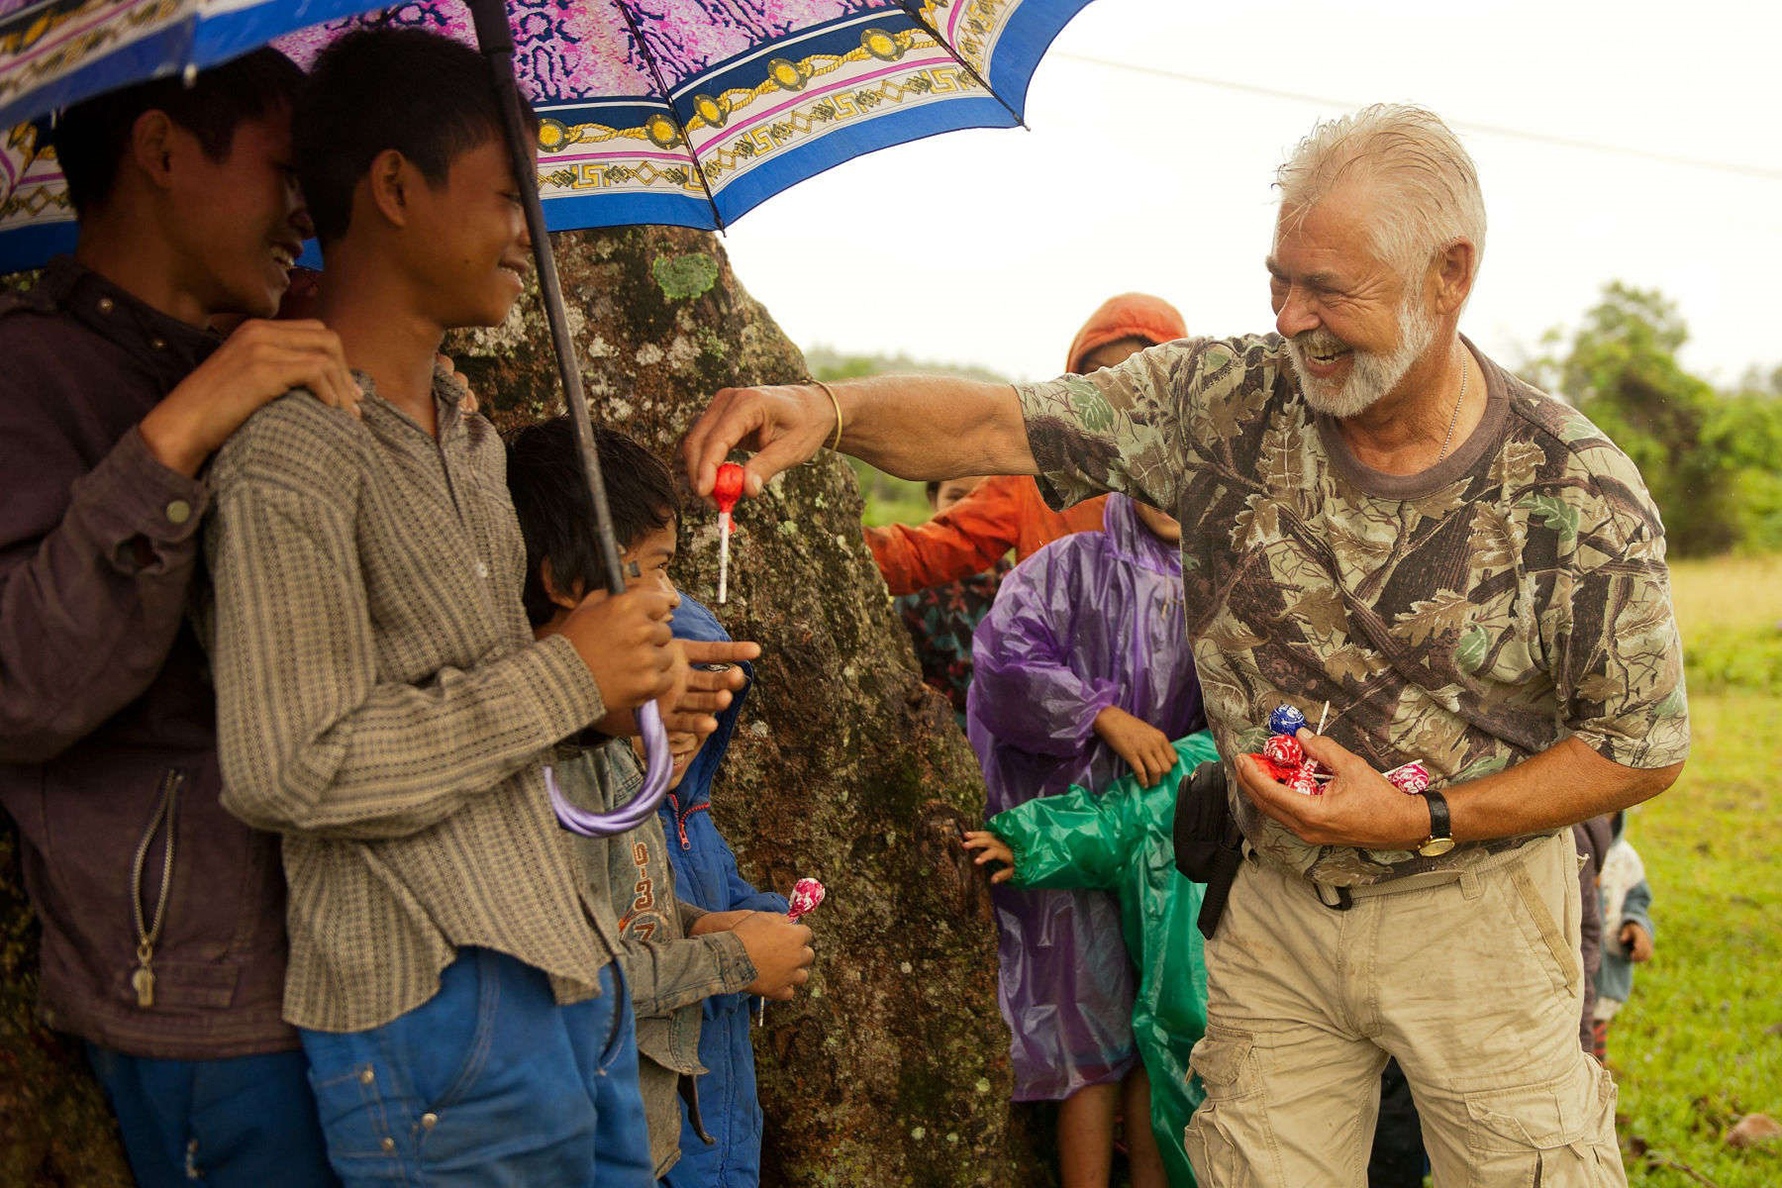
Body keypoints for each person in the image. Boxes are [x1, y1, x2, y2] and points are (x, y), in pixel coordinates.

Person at [682, 103, 1689, 1185]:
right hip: (1272, 908)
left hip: (1475, 918)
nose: (1293, 319)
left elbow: (1641, 747)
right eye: (1278, 279)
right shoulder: (1223, 402)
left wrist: (1422, 815)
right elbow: (996, 425)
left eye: (1329, 289)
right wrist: (828, 409)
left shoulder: (1573, 491)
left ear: (1450, 275)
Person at [201, 29, 683, 1184]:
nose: (531, 235)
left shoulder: (469, 441)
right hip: (432, 1000)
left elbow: (466, 699)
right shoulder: (294, 454)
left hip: (564, 963)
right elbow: (290, 765)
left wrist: (599, 695)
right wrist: (564, 673)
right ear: (395, 187)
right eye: (509, 195)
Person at [0, 50, 359, 1187]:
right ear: (160, 151)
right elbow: (25, 690)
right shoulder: (27, 377)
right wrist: (180, 431)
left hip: (371, 961)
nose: (306, 207)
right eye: (282, 167)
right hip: (207, 1003)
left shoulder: (284, 361)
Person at [505, 416, 815, 1180]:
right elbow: (567, 981)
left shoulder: (616, 768)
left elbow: (619, 907)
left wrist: (700, 920)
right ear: (562, 582)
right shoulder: (536, 770)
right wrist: (727, 958)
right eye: (649, 569)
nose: (668, 598)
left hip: (644, 1137)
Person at [967, 492, 1205, 1188]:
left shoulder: (1223, 587)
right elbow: (1006, 659)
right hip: (1061, 822)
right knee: (1084, 1036)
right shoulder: (1069, 566)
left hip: (1167, 831)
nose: (1168, 494)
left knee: (1162, 1031)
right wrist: (1099, 715)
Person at [964, 731, 1222, 1187]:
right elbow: (1118, 824)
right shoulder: (1202, 766)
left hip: (1251, 1011)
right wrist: (1026, 841)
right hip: (1196, 1015)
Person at [862, 293, 1187, 596]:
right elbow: (928, 553)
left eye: (1137, 377)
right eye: (1098, 376)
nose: (1114, 394)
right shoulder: (1035, 479)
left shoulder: (1212, 481)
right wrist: (836, 544)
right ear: (1072, 386)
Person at [659, 594, 800, 1188]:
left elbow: (726, 893)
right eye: (674, 714)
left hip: (725, 1111)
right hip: (660, 1130)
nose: (694, 732)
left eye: (712, 714)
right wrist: (740, 953)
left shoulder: (694, 819)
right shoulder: (610, 826)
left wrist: (768, 917)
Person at [894, 475, 1006, 725]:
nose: (968, 509)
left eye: (979, 497)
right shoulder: (915, 591)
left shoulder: (1018, 581)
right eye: (955, 497)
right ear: (933, 500)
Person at [1593, 812, 1655, 1061]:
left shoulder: (1625, 859)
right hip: (1569, 971)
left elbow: (1638, 901)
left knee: (1593, 1051)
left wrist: (1636, 925)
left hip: (1606, 967)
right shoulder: (1564, 854)